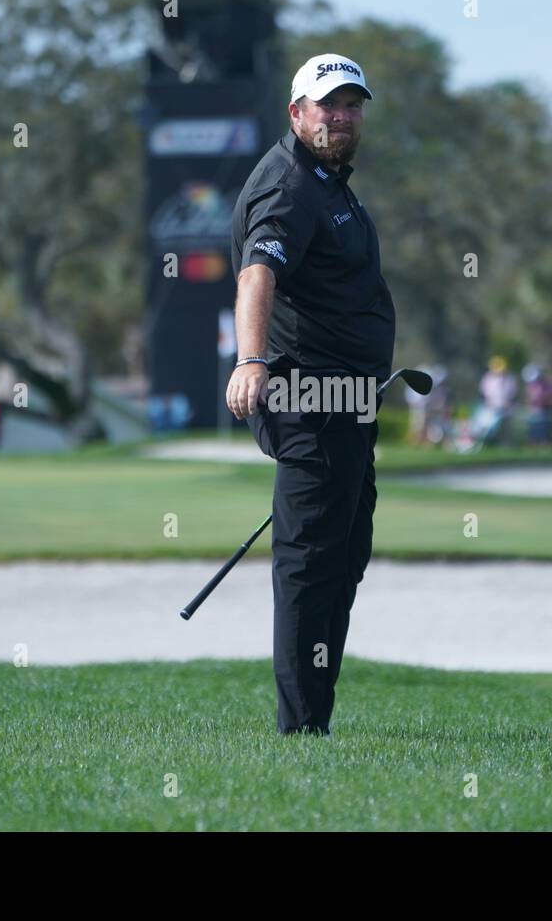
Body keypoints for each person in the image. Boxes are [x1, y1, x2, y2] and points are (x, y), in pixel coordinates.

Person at [226, 53, 393, 737]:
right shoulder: (291, 185)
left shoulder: (327, 182)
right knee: (310, 568)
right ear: (297, 113)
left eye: (353, 104)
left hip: (347, 403)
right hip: (312, 403)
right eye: (328, 105)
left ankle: (314, 717)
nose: (342, 116)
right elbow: (258, 272)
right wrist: (251, 359)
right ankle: (301, 730)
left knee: (342, 558)